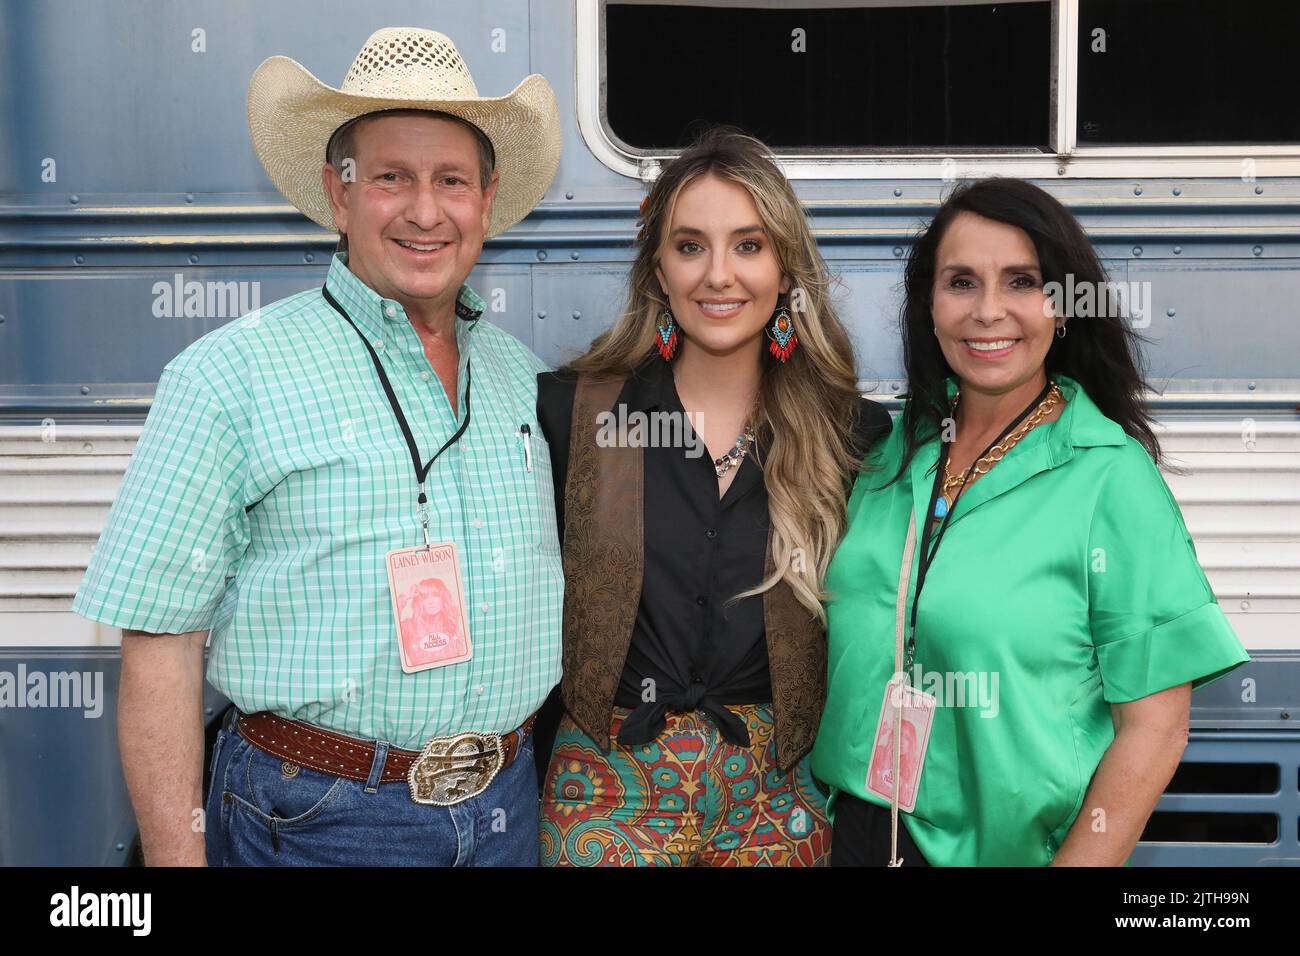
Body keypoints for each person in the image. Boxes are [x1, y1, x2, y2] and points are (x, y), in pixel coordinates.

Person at [71, 28, 564, 866]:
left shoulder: (525, 380)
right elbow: (160, 646)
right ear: (340, 198)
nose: (424, 210)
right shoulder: (229, 374)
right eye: (390, 179)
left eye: (451, 181)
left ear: (486, 200)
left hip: (509, 809)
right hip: (314, 820)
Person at [811, 178, 1250, 866]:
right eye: (961, 282)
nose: (989, 311)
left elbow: (1155, 731)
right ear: (930, 305)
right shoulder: (892, 454)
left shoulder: (1108, 476)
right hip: (856, 841)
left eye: (1022, 281)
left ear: (1065, 306)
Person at [535, 127, 892, 866]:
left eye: (749, 246)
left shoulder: (851, 433)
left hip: (776, 799)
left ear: (786, 267)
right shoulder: (574, 412)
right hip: (604, 789)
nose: (719, 275)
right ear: (658, 271)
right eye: (691, 245)